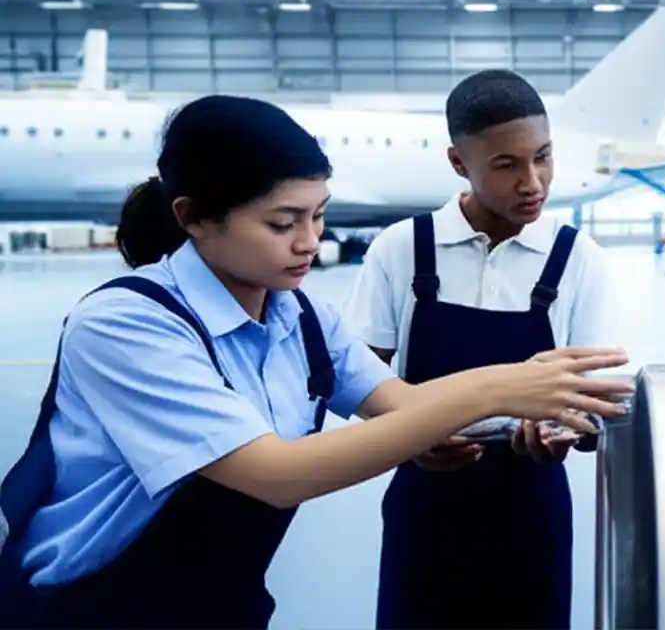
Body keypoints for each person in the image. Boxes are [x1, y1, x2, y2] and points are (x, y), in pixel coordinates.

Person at [0, 94, 631, 629]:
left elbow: (406, 404)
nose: (310, 242)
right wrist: (497, 387)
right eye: (283, 223)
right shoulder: (127, 324)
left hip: (223, 600)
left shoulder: (299, 316)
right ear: (193, 218)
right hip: (93, 606)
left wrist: (534, 412)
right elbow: (277, 475)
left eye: (319, 216)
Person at [342, 69, 615, 629]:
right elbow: (357, 376)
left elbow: (595, 401)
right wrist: (410, 437)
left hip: (531, 511)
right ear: (459, 163)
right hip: (425, 507)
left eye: (543, 157)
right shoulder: (402, 249)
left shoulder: (578, 258)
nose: (534, 181)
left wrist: (563, 431)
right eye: (507, 165)